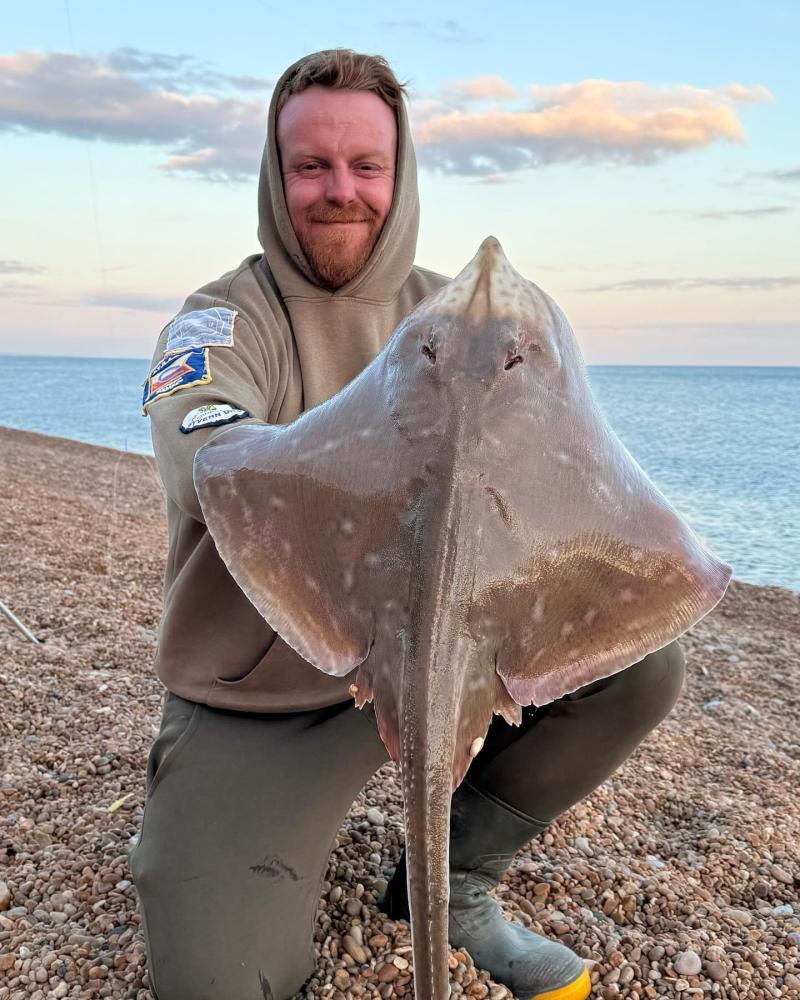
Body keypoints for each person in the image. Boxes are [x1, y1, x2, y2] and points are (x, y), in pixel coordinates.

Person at [130, 49, 685, 1000]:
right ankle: (201, 814)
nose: (340, 191)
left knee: (641, 663)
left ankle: (453, 883)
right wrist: (379, 482)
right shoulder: (223, 319)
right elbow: (204, 451)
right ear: (276, 173)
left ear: (402, 172)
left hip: (449, 657)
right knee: (213, 980)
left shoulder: (458, 315)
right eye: (311, 166)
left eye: (366, 166)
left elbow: (566, 470)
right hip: (265, 700)